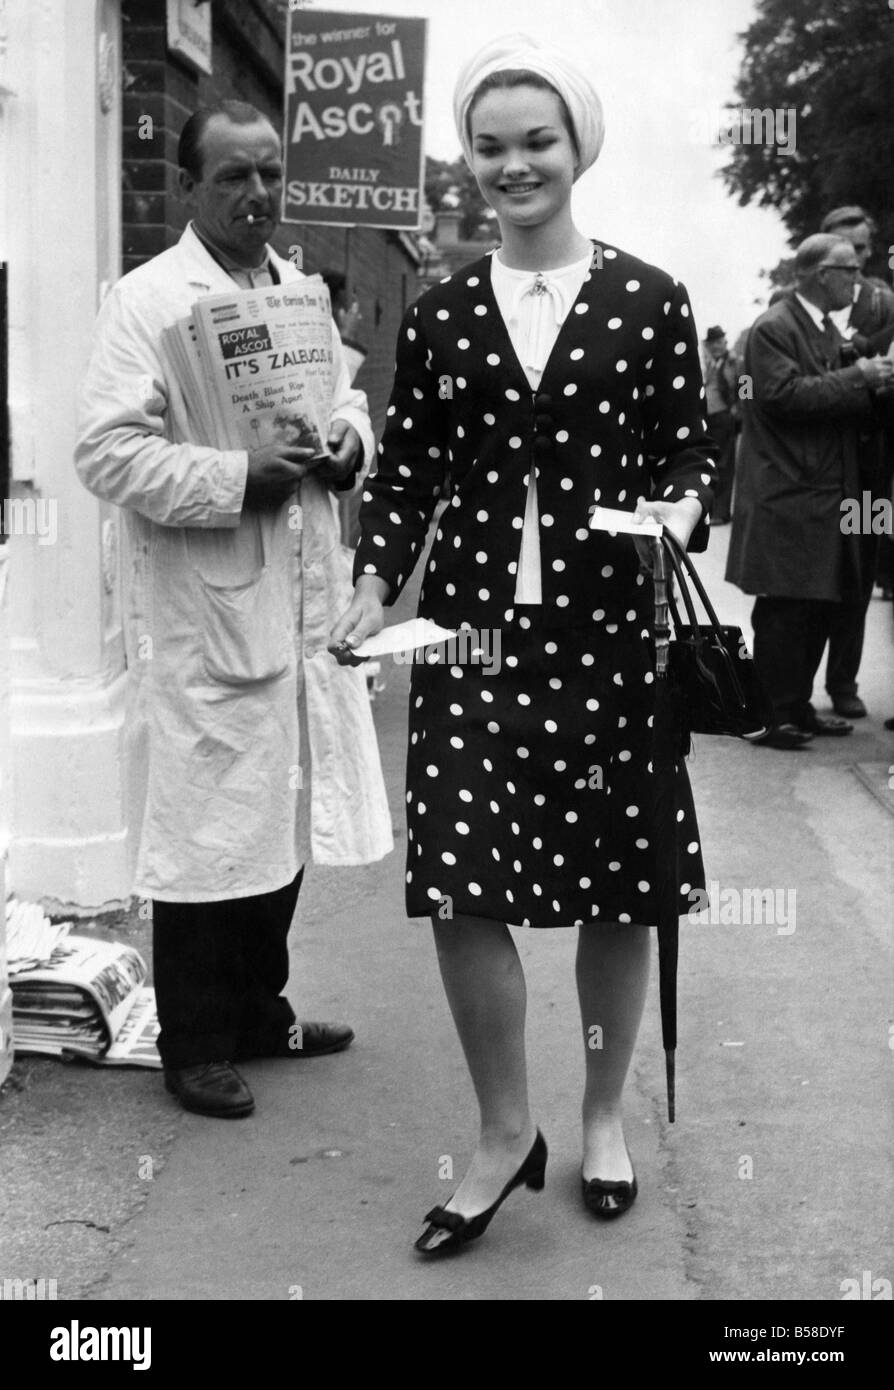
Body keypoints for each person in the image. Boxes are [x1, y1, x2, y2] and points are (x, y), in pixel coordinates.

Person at [330, 34, 717, 1253]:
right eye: (491, 146)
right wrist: (371, 582)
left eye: (535, 142)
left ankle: (602, 1116)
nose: (513, 164)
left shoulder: (650, 297)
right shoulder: (445, 313)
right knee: (461, 880)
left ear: (576, 150)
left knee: (618, 882)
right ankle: (505, 1133)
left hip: (611, 634)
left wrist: (684, 502)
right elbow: (406, 473)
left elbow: (688, 445)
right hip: (475, 634)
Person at [76, 101, 393, 1119]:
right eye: (233, 179)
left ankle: (261, 1008)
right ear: (189, 187)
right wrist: (233, 476)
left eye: (270, 176)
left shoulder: (295, 289)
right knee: (209, 824)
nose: (258, 196)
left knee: (283, 817)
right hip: (205, 603)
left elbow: (345, 398)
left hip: (301, 596)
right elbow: (106, 453)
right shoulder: (147, 300)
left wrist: (349, 444)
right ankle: (195, 1040)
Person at [725, 233, 894, 750]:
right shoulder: (775, 327)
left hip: (815, 493)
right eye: (850, 271)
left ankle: (797, 705)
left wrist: (867, 383)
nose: (857, 281)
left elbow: (828, 395)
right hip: (788, 493)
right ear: (823, 275)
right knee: (785, 610)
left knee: (815, 604)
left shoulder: (816, 326)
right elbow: (780, 396)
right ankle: (773, 714)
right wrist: (859, 376)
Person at [817, 207, 894, 717]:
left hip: (868, 469)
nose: (858, 263)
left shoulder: (884, 302)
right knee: (807, 572)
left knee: (859, 573)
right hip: (818, 466)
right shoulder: (795, 304)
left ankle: (844, 683)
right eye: (847, 253)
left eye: (864, 250)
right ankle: (789, 692)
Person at [701, 326, 739, 524]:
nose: (715, 346)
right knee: (712, 464)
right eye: (712, 343)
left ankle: (721, 513)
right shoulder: (712, 363)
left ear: (725, 342)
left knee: (724, 465)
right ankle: (714, 511)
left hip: (724, 418)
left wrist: (740, 408)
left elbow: (746, 382)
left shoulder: (734, 361)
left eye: (718, 342)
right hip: (711, 420)